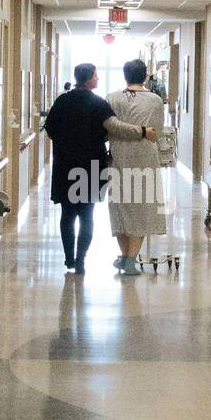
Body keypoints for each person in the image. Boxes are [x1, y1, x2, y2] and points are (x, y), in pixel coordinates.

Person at [42, 63, 155, 275]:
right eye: (96, 75)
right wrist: (141, 131)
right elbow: (112, 129)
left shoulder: (62, 100)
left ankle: (69, 258)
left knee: (67, 214)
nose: (98, 78)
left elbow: (50, 129)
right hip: (91, 166)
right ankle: (81, 260)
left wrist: (66, 143)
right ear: (88, 78)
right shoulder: (98, 103)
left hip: (65, 165)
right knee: (86, 214)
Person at [105, 59, 167, 276]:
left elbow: (108, 129)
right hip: (146, 157)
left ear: (125, 75)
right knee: (142, 207)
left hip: (119, 156)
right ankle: (130, 259)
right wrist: (142, 131)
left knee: (120, 207)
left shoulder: (112, 99)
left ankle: (124, 257)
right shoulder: (155, 100)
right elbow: (156, 130)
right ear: (145, 75)